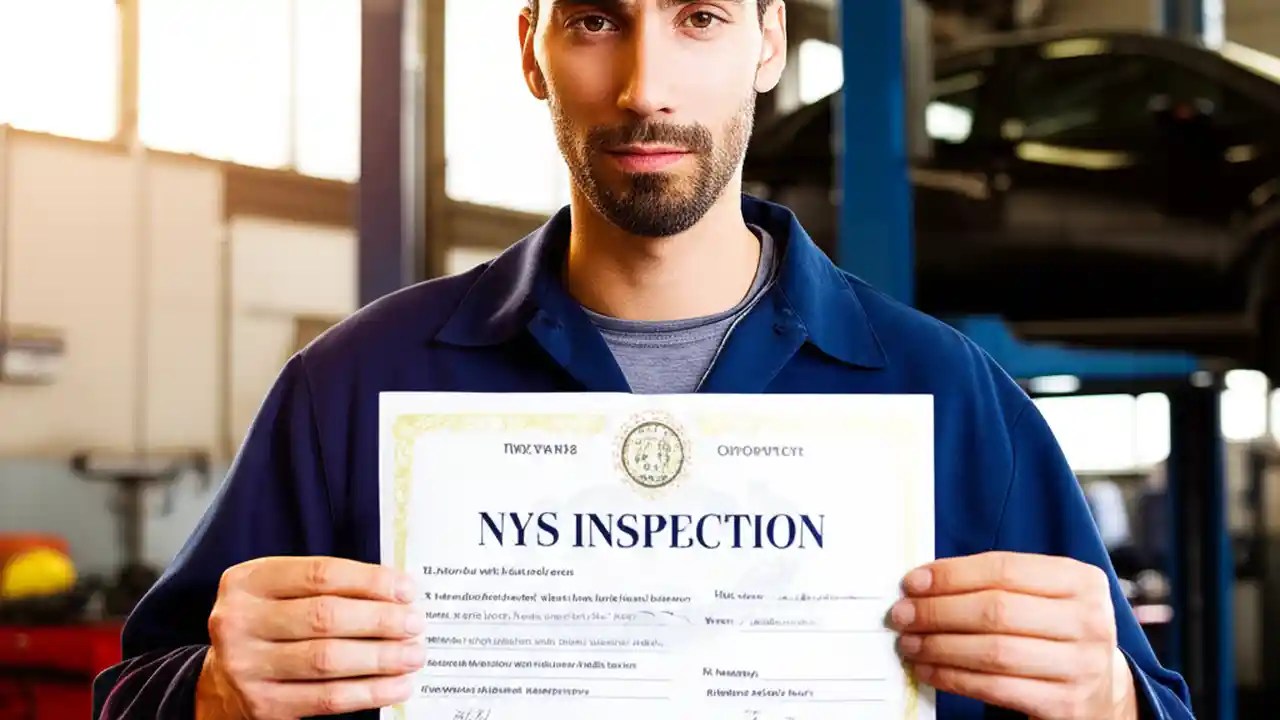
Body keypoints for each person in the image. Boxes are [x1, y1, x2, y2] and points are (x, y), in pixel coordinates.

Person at [94, 1, 1194, 718]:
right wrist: (211, 694)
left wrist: (1106, 697)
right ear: (527, 46)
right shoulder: (353, 387)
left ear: (768, 42)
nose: (643, 86)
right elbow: (133, 695)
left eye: (698, 19)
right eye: (593, 21)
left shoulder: (949, 400)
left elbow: (1153, 708)